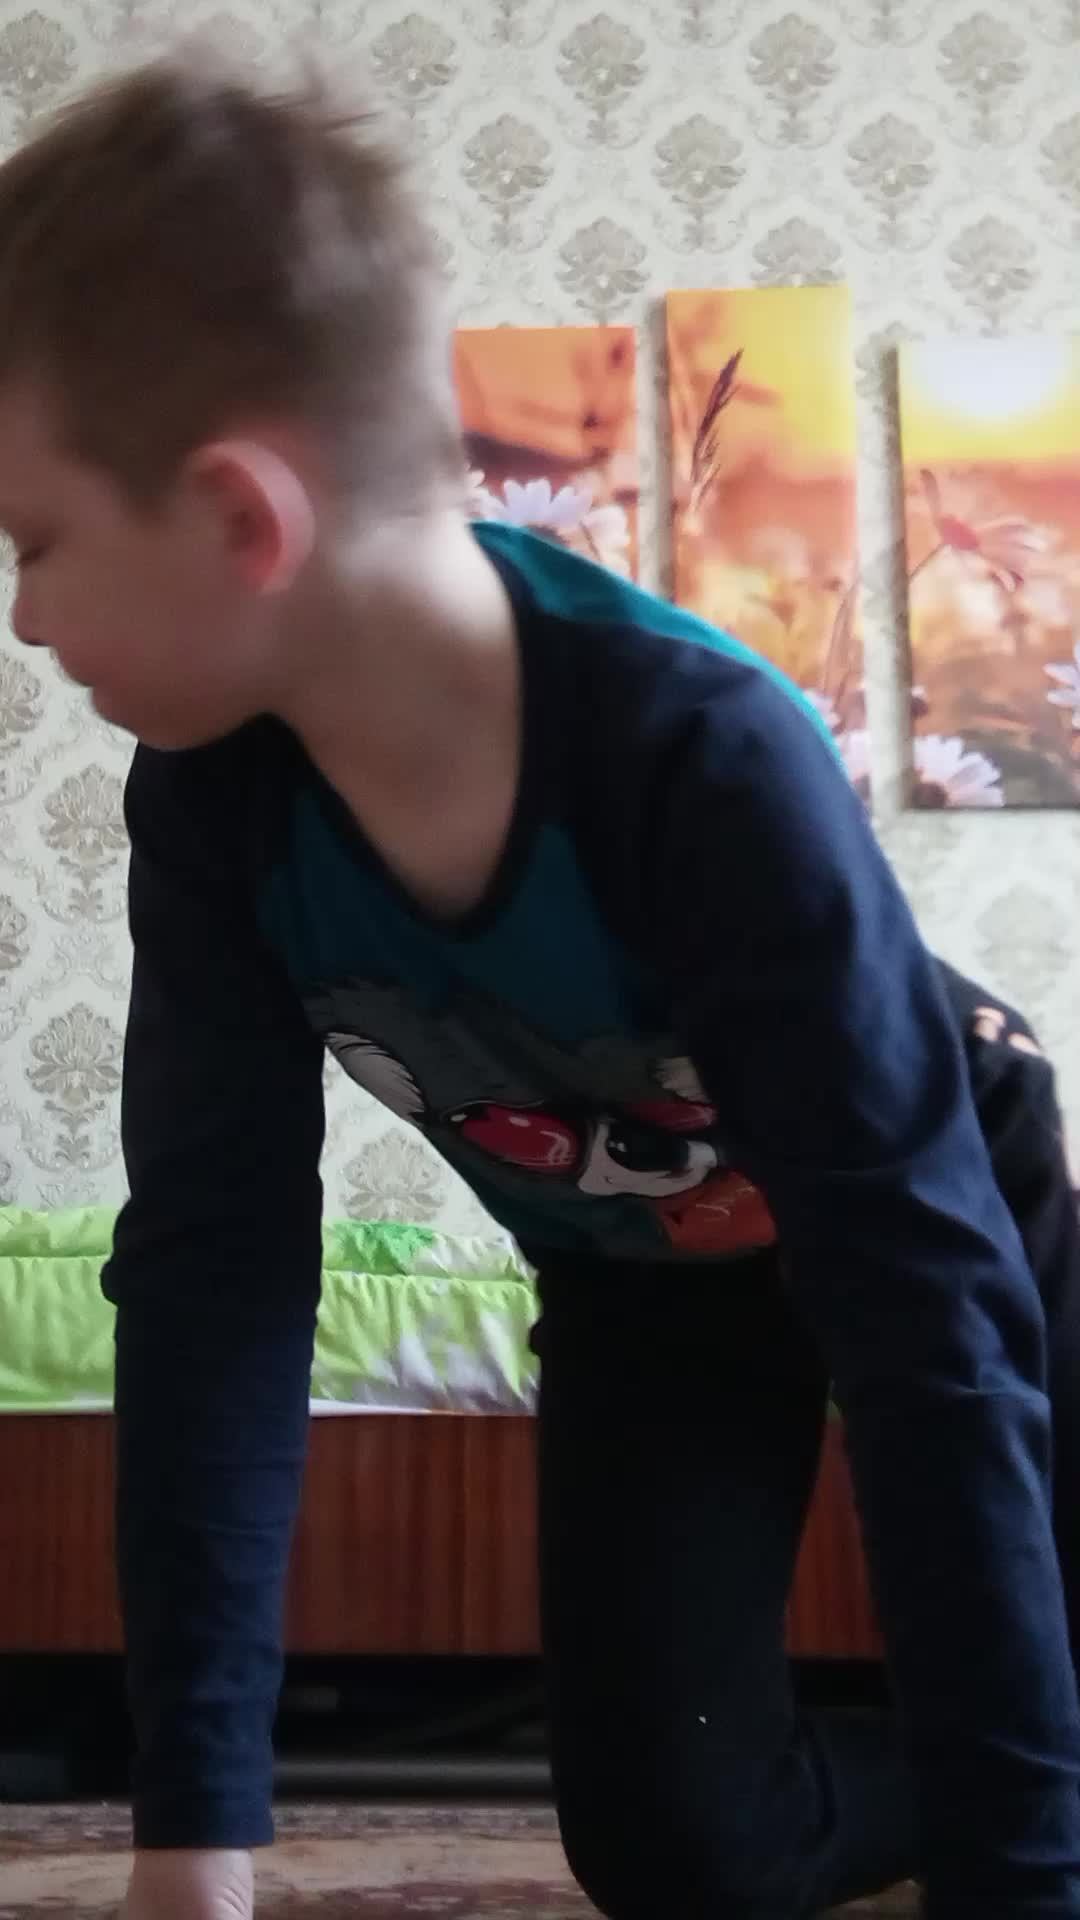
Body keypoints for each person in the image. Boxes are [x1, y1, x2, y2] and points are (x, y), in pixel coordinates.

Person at [0, 50, 1077, 1920]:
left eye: (33, 544)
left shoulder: (702, 756)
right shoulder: (211, 803)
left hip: (929, 1192)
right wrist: (194, 1843)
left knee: (1029, 1663)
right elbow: (212, 1274)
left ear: (242, 519)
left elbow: (929, 1336)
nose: (22, 612)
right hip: (644, 1268)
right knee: (677, 1852)